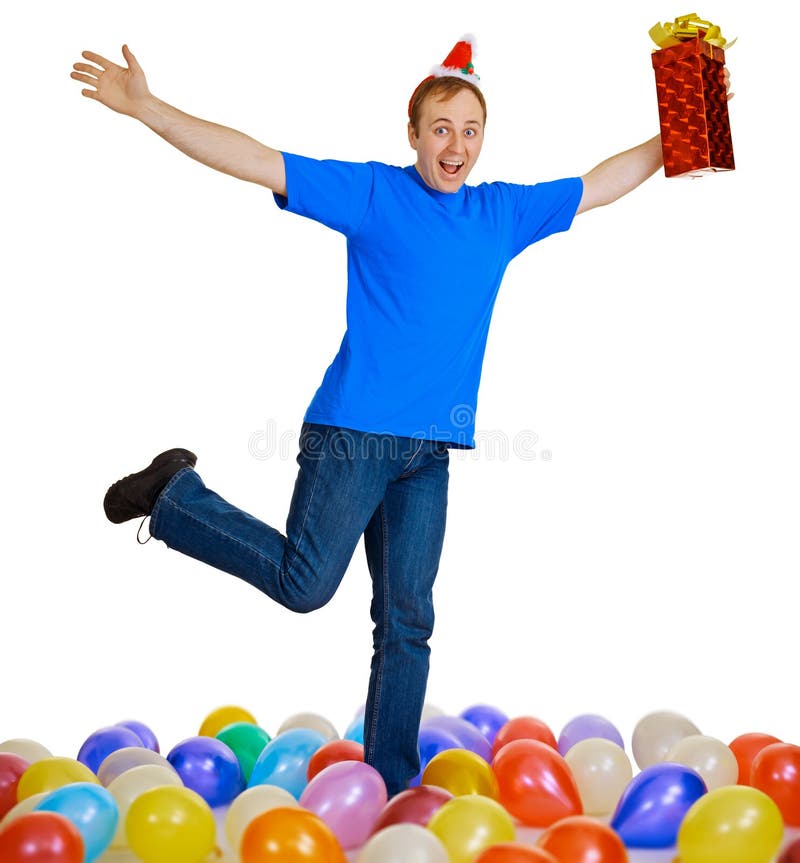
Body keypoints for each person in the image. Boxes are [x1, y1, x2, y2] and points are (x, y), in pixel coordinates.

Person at [71, 36, 682, 795]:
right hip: (353, 436)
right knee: (304, 583)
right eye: (441, 129)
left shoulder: (502, 212)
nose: (456, 146)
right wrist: (148, 109)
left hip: (429, 452)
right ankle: (173, 496)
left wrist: (675, 136)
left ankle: (390, 783)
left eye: (470, 131)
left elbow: (600, 184)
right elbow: (256, 159)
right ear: (413, 133)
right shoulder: (373, 194)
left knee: (407, 620)